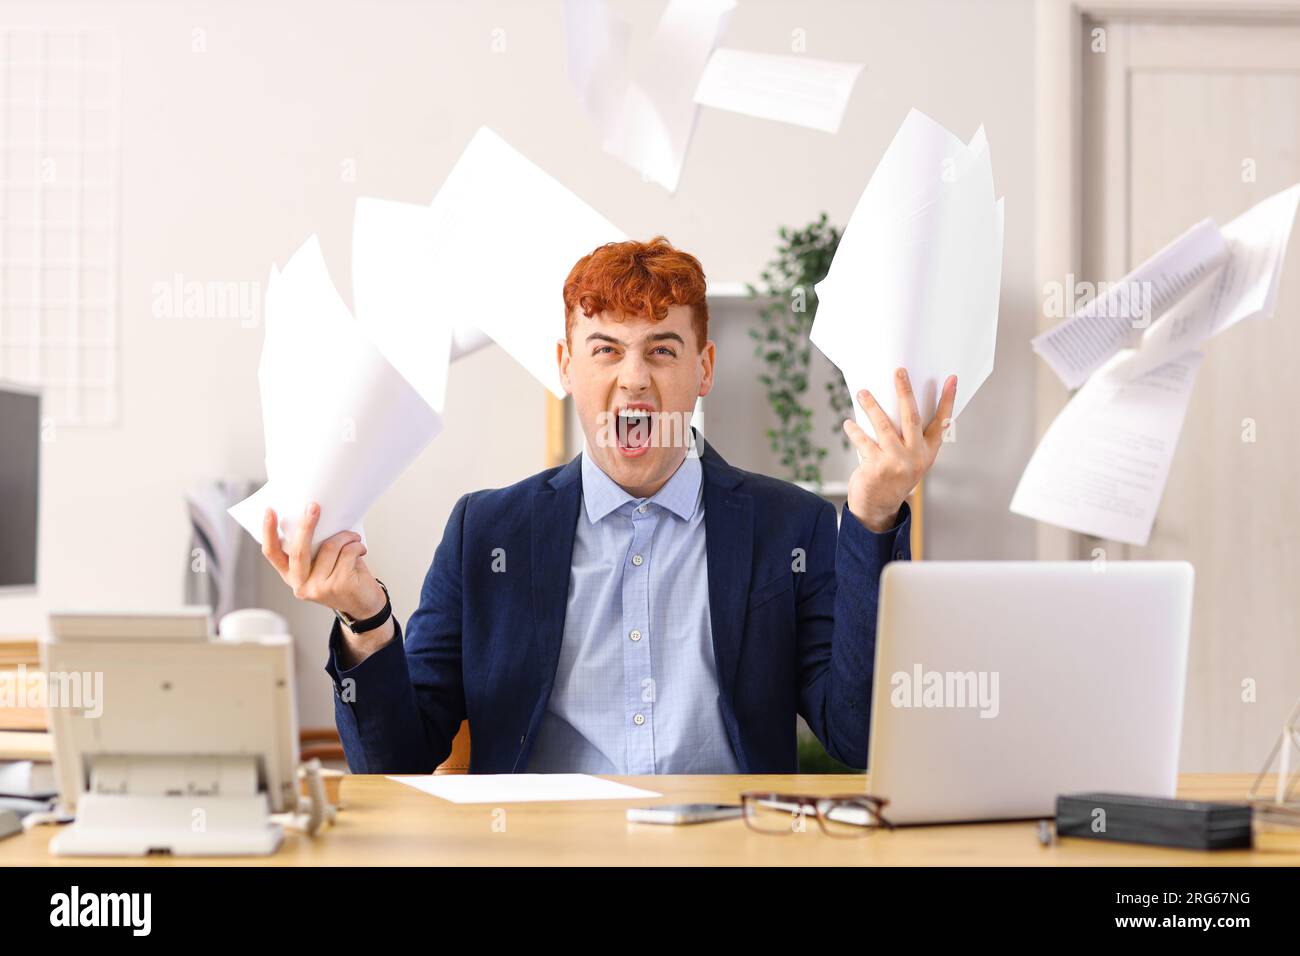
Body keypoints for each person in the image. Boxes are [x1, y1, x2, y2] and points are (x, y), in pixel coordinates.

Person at [261, 236, 957, 773]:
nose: (634, 380)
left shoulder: (791, 527)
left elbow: (860, 735)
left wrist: (871, 519)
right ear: (566, 366)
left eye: (661, 350)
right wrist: (364, 617)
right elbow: (395, 761)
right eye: (605, 350)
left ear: (703, 369)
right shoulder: (486, 532)